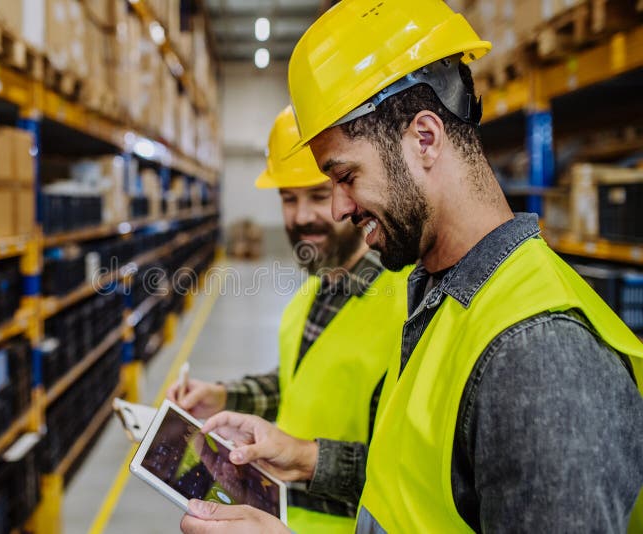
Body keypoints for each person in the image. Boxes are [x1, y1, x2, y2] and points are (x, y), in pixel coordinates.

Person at [180, 1, 643, 533]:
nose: (337, 210)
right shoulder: (439, 296)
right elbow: (413, 491)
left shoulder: (539, 355)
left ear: (424, 138)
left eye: (346, 176)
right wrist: (308, 458)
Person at [167, 107, 410, 534]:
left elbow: (408, 475)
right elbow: (298, 385)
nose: (300, 218)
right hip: (283, 516)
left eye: (317, 195)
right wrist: (223, 397)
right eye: (287, 199)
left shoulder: (405, 305)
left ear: (348, 192)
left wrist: (303, 456)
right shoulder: (312, 291)